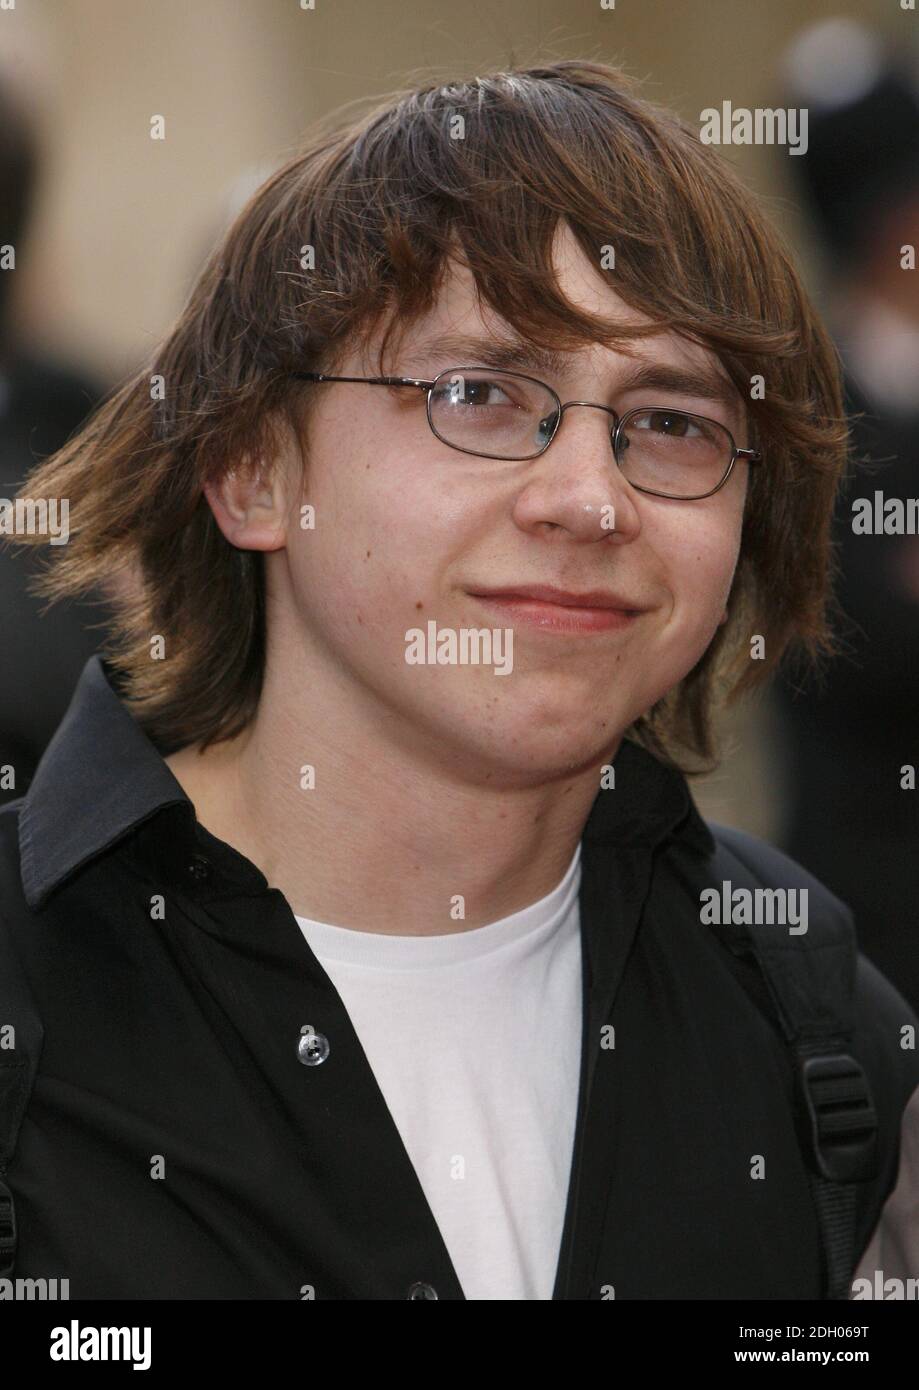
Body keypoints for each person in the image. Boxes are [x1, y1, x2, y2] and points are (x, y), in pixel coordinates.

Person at [1, 60, 917, 1302]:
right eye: (478, 394)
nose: (590, 499)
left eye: (670, 422)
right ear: (251, 470)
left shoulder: (810, 1013)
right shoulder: (32, 996)